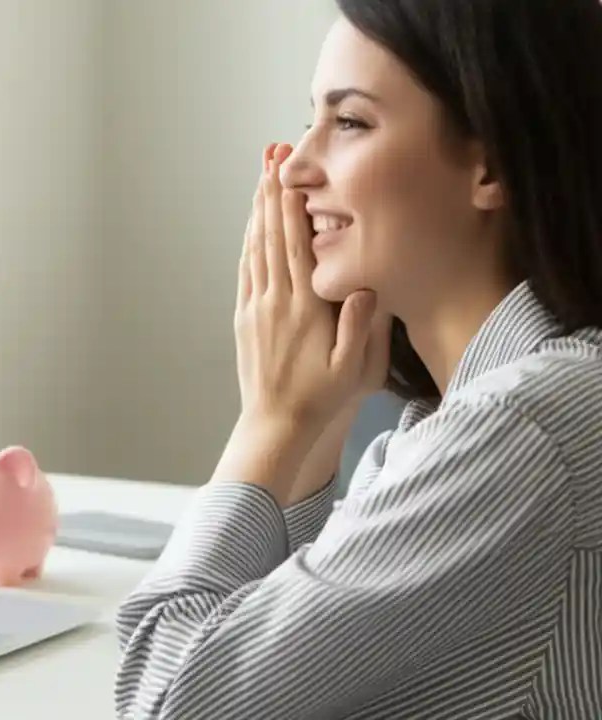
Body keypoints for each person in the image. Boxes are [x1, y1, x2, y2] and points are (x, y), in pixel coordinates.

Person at [114, 1, 602, 718]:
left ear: (491, 164)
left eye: (349, 122)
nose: (295, 167)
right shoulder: (457, 421)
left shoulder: (519, 431)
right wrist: (321, 416)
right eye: (311, 118)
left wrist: (270, 424)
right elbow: (294, 642)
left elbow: (168, 703)